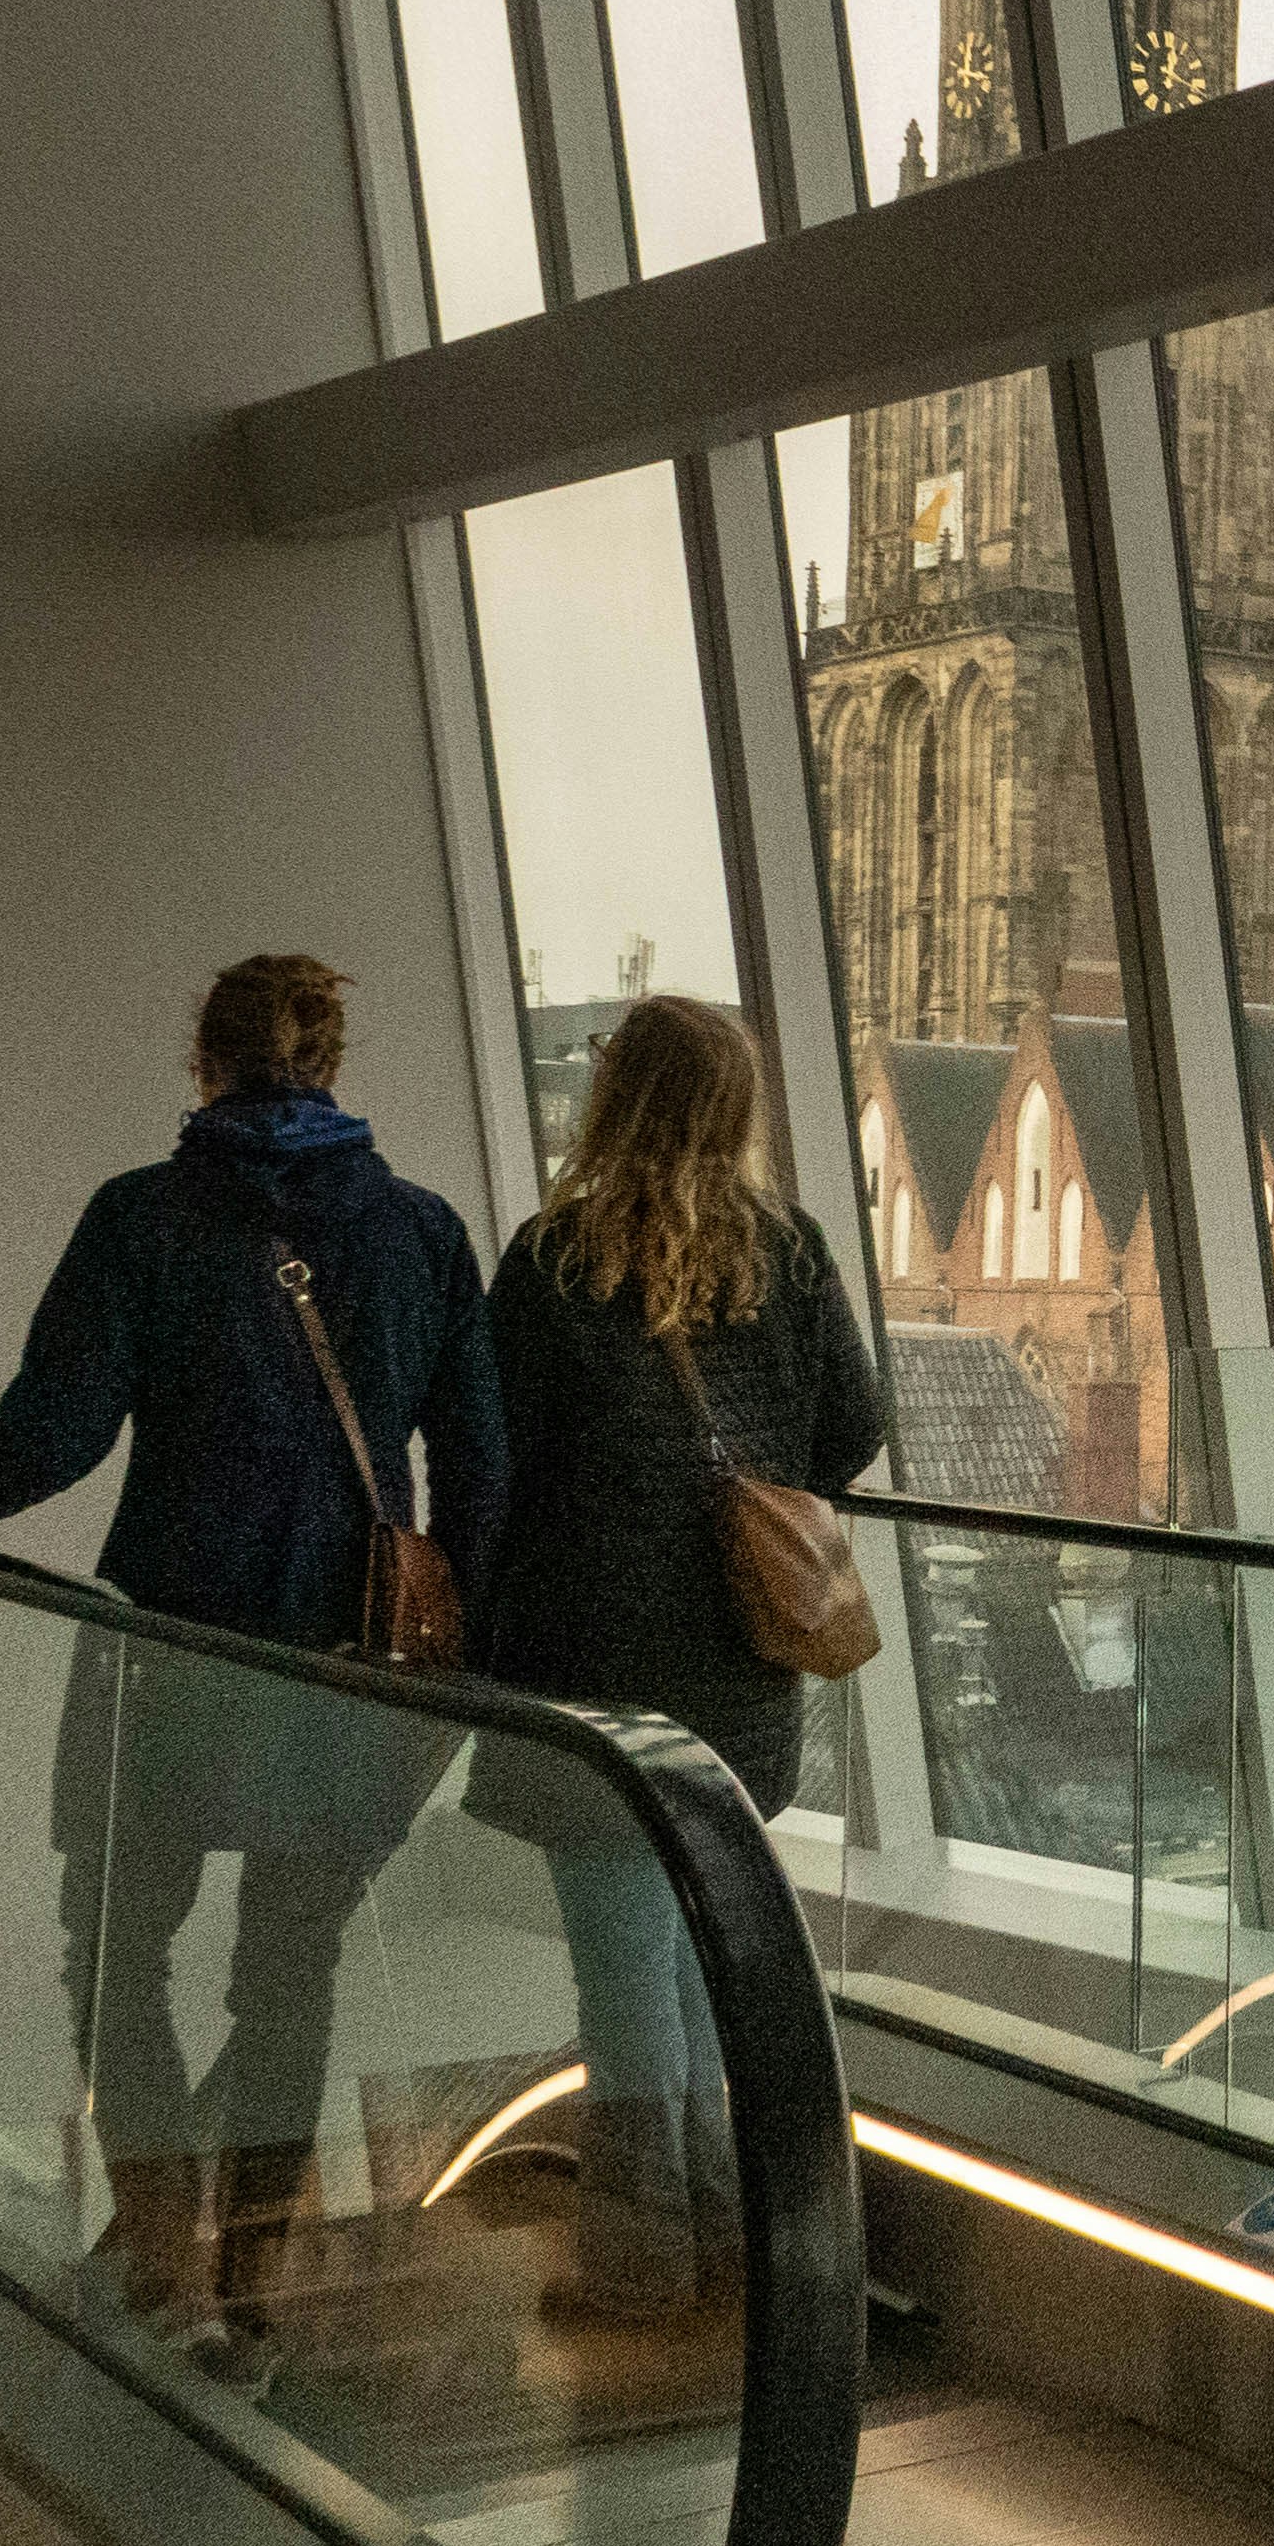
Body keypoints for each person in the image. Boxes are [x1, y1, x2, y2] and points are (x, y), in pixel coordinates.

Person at [0, 953, 501, 2370]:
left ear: (200, 1065)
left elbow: (53, 1441)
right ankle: (257, 2277)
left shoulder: (141, 1222)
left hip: (164, 1650)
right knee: (289, 1971)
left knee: (112, 1952)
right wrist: (462, 1672)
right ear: (333, 1067)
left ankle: (160, 2241)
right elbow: (479, 1480)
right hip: (342, 1663)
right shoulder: (424, 1236)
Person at [482, 996, 885, 2324]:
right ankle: (734, 2247)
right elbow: (855, 1430)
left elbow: (499, 1464)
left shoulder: (554, 1263)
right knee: (703, 1968)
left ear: (618, 1099)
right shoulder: (788, 1251)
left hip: (592, 1670)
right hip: (737, 1681)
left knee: (625, 1981)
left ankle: (642, 2267)